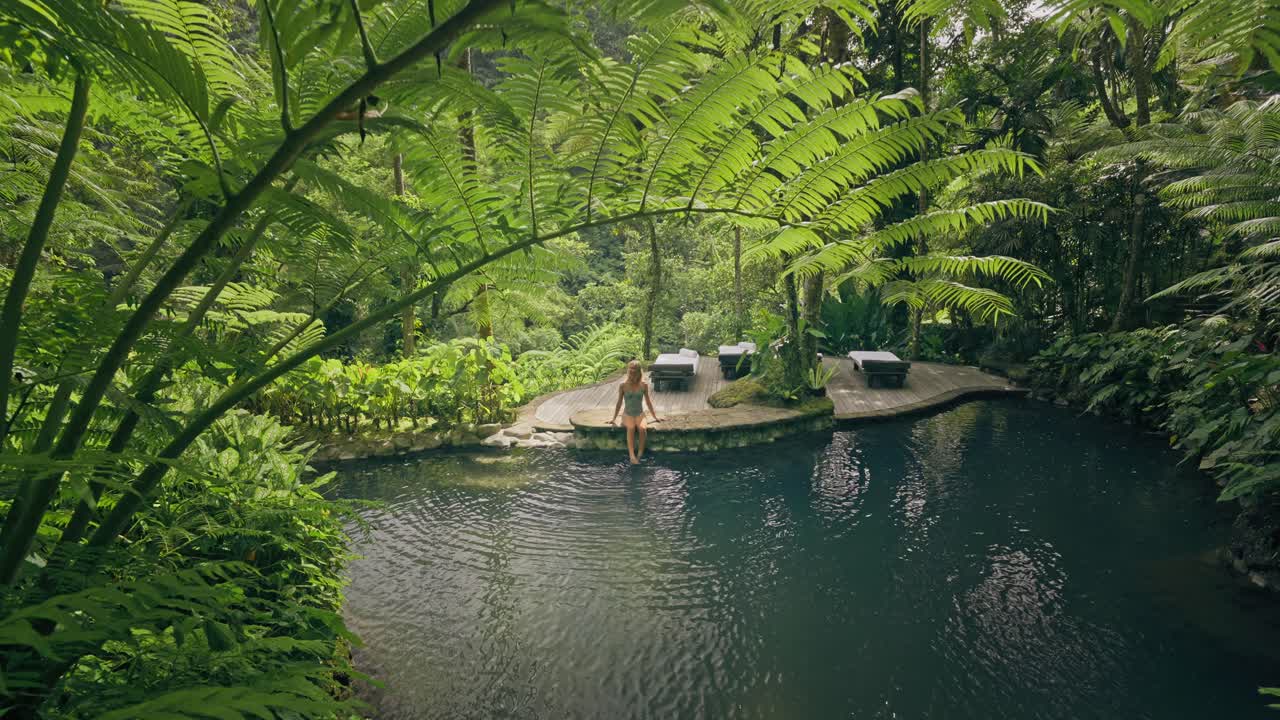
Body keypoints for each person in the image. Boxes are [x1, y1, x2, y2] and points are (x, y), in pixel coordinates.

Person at [610, 360, 661, 464]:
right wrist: (614, 418)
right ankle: (632, 455)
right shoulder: (623, 385)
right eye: (630, 369)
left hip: (640, 414)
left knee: (642, 428)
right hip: (627, 414)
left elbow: (648, 402)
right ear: (628, 370)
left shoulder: (644, 385)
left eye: (634, 369)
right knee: (631, 427)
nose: (632, 371)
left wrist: (655, 417)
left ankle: (640, 454)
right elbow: (619, 403)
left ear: (639, 371)